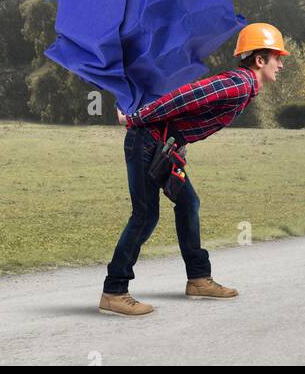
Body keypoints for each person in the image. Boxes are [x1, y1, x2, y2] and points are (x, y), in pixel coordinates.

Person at [98, 22, 288, 317]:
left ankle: (198, 279)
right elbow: (186, 97)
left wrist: (179, 146)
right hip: (146, 139)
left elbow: (191, 116)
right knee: (145, 215)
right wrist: (135, 118)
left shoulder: (245, 88)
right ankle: (114, 291)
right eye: (278, 57)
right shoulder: (238, 84)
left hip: (163, 146)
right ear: (260, 60)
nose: (281, 64)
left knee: (189, 203)